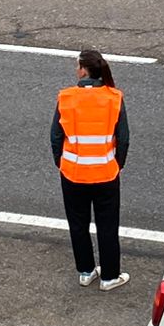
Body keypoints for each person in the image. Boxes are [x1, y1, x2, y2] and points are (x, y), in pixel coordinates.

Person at [52, 48, 131, 290]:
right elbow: (124, 138)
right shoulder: (114, 97)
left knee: (78, 224)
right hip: (106, 173)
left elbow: (56, 137)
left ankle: (86, 271)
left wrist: (62, 163)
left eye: (77, 65)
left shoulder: (65, 97)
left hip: (73, 174)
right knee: (108, 226)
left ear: (84, 70)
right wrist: (118, 164)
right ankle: (109, 276)